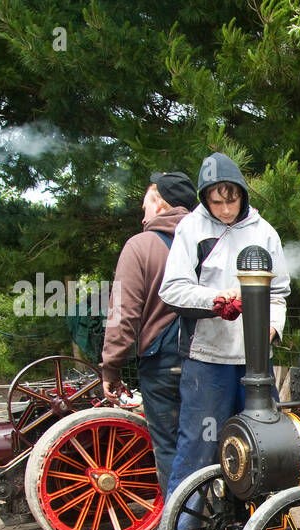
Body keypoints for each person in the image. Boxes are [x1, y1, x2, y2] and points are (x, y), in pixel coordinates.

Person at [156, 152, 291, 530]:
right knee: (197, 452)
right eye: (217, 200)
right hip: (207, 360)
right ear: (206, 198)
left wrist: (270, 328)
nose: (226, 208)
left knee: (265, 450)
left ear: (242, 195)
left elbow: (280, 291)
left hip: (255, 362)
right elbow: (172, 288)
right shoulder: (190, 229)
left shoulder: (265, 231)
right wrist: (216, 300)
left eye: (232, 199)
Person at [101, 171, 199, 498]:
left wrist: (111, 369)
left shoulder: (140, 246)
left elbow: (123, 314)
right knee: (211, 443)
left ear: (160, 203)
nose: (142, 214)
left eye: (146, 204)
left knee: (171, 448)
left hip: (164, 367)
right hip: (212, 364)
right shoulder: (212, 244)